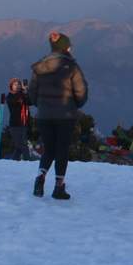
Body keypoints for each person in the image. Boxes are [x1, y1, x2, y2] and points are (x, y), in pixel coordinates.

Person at [28, 31, 88, 200]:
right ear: (65, 47)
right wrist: (76, 104)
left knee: (49, 149)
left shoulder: (39, 67)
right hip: (65, 115)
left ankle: (40, 177)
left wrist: (39, 105)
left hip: (44, 116)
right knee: (61, 150)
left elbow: (32, 91)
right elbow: (81, 91)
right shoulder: (71, 67)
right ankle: (58, 187)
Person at [5, 78, 32, 161]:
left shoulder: (22, 95)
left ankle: (14, 162)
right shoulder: (10, 96)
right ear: (11, 86)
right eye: (15, 84)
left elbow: (30, 102)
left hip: (24, 124)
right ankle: (28, 162)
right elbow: (15, 100)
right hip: (15, 125)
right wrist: (22, 92)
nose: (18, 86)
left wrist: (26, 92)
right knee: (22, 145)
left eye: (19, 84)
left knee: (19, 147)